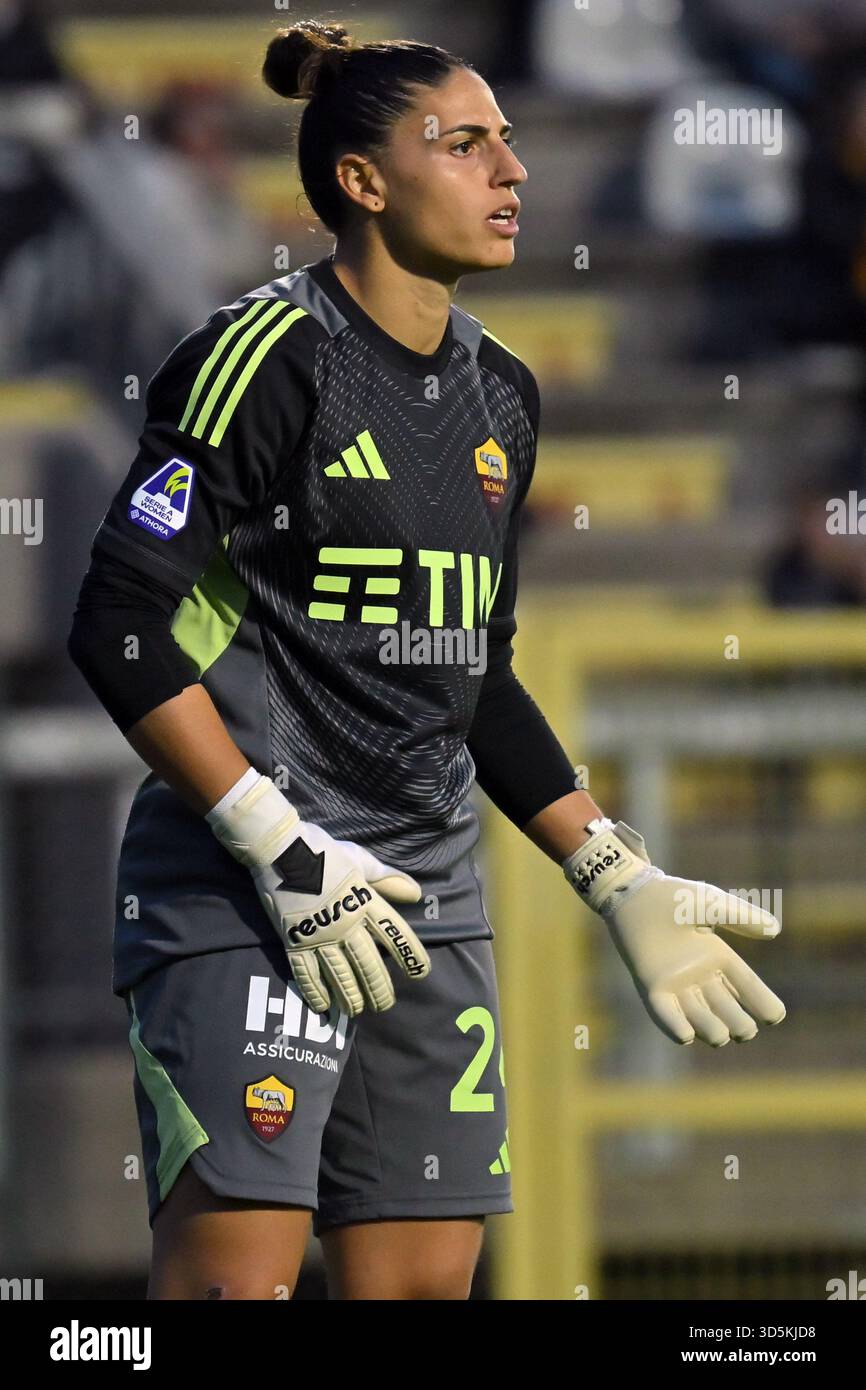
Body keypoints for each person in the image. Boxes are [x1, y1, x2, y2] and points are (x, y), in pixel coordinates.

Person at [68, 19, 786, 1302]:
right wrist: (281, 849)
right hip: (246, 897)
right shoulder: (261, 357)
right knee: (237, 1292)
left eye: (509, 141)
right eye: (463, 144)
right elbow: (118, 623)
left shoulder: (503, 390)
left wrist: (610, 870)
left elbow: (475, 675)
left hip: (425, 902)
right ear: (362, 180)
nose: (511, 171)